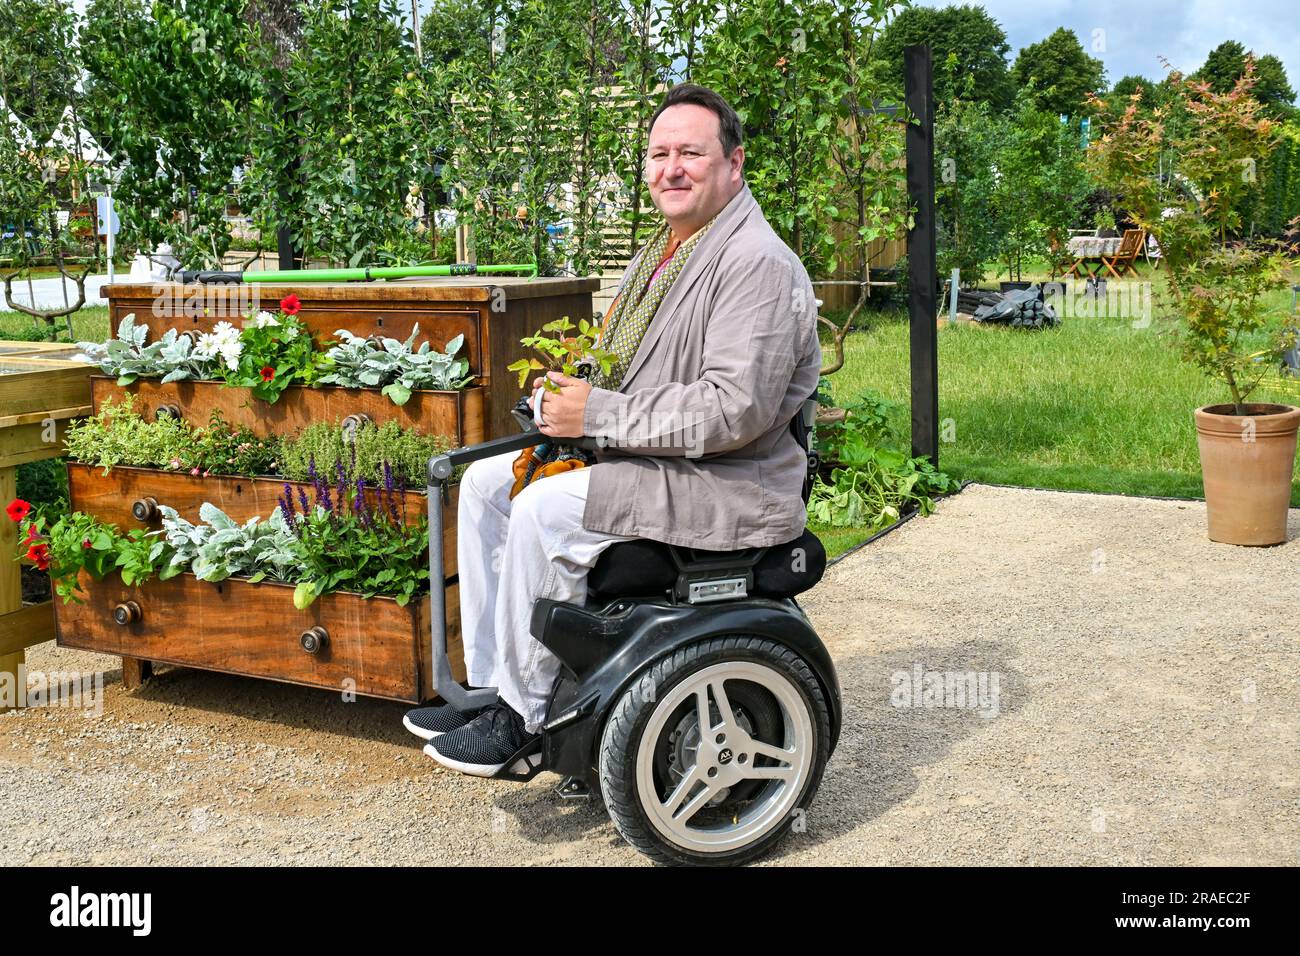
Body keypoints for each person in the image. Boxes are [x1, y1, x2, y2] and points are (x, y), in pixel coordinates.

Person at [406, 84, 822, 777]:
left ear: (734, 164)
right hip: (662, 462)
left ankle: (526, 715)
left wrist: (595, 415)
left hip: (729, 483)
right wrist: (568, 393)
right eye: (659, 154)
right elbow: (620, 361)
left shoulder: (758, 264)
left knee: (542, 508)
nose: (672, 168)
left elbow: (735, 410)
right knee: (483, 484)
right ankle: (492, 686)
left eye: (691, 152)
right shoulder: (664, 251)